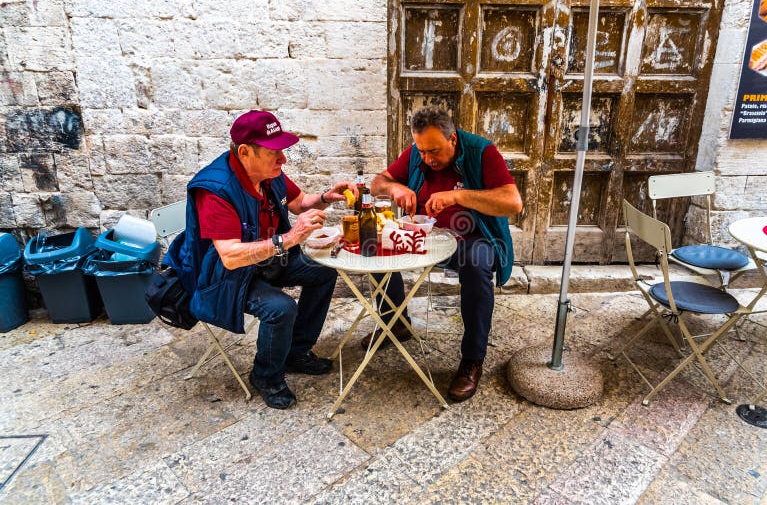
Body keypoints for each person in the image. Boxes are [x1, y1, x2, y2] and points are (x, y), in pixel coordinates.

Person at [164, 110, 355, 410]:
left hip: (268, 260)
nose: (283, 160)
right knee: (280, 308)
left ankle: (296, 352)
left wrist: (327, 197)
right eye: (274, 153)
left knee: (324, 270)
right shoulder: (216, 190)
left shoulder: (268, 173)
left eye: (282, 151)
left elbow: (299, 201)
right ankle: (266, 376)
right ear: (245, 152)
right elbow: (229, 257)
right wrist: (290, 239)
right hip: (225, 277)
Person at [366, 106, 522, 402]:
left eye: (434, 151)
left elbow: (513, 202)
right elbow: (378, 184)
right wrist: (395, 188)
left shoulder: (482, 152)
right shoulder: (417, 152)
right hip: (425, 235)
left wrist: (459, 195)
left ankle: (472, 360)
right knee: (376, 243)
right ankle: (395, 322)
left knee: (477, 264)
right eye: (422, 152)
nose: (427, 159)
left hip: (471, 238)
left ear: (453, 140)